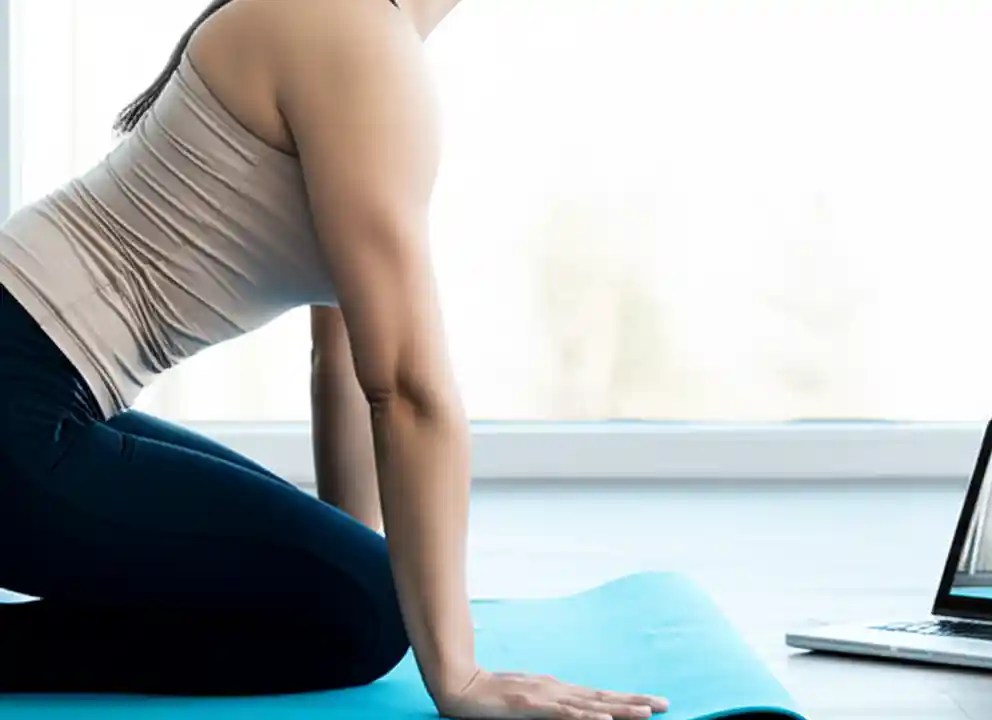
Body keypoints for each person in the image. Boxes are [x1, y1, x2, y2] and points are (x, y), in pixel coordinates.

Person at [0, 1, 670, 717]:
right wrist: (460, 677)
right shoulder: (351, 38)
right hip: (21, 403)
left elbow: (345, 357)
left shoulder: (350, 30)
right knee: (365, 616)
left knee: (355, 602)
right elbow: (409, 388)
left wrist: (351, 560)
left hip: (37, 393)